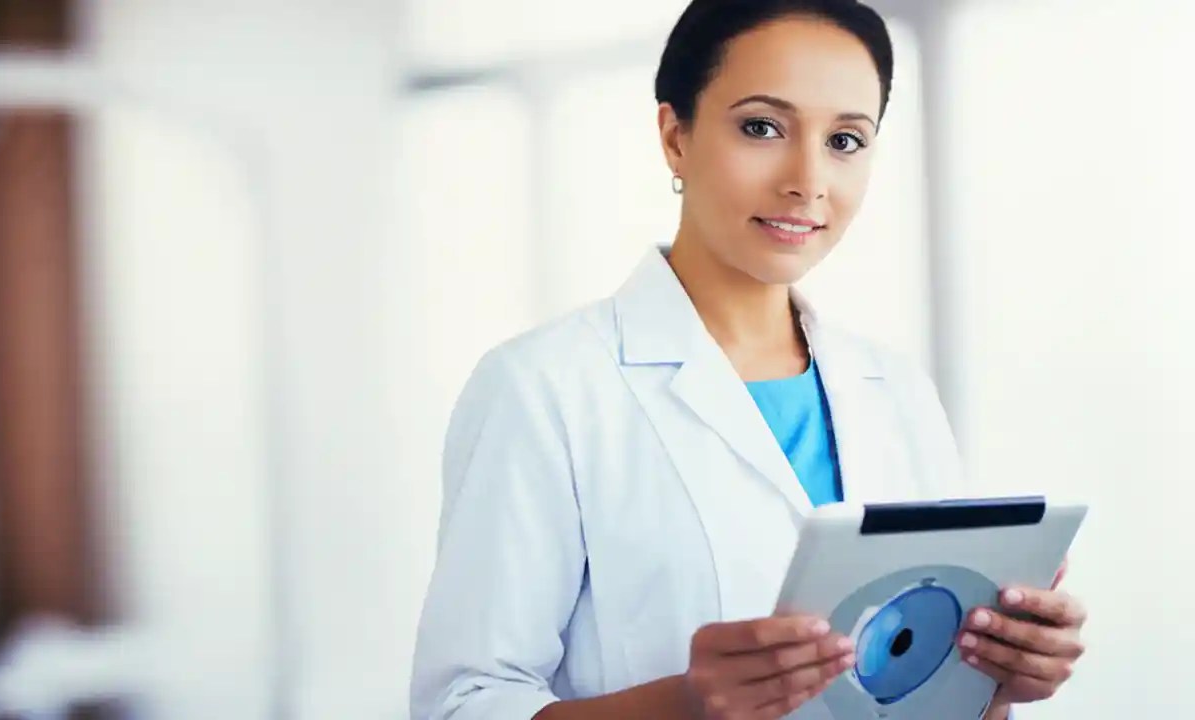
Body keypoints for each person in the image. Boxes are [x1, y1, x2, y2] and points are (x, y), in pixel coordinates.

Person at [409, 0, 1088, 718]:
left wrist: (995, 677)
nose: (807, 179)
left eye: (846, 141)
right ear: (675, 135)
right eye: (761, 127)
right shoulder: (543, 390)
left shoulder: (897, 391)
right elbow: (463, 704)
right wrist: (683, 705)